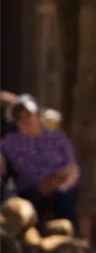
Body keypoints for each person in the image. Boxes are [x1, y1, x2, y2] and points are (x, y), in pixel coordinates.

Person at [0, 95, 80, 231]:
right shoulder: (9, 143)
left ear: (37, 115)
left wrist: (64, 185)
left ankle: (71, 242)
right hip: (31, 190)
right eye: (19, 118)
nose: (25, 120)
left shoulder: (57, 138)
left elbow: (72, 167)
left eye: (28, 115)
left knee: (65, 203)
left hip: (61, 186)